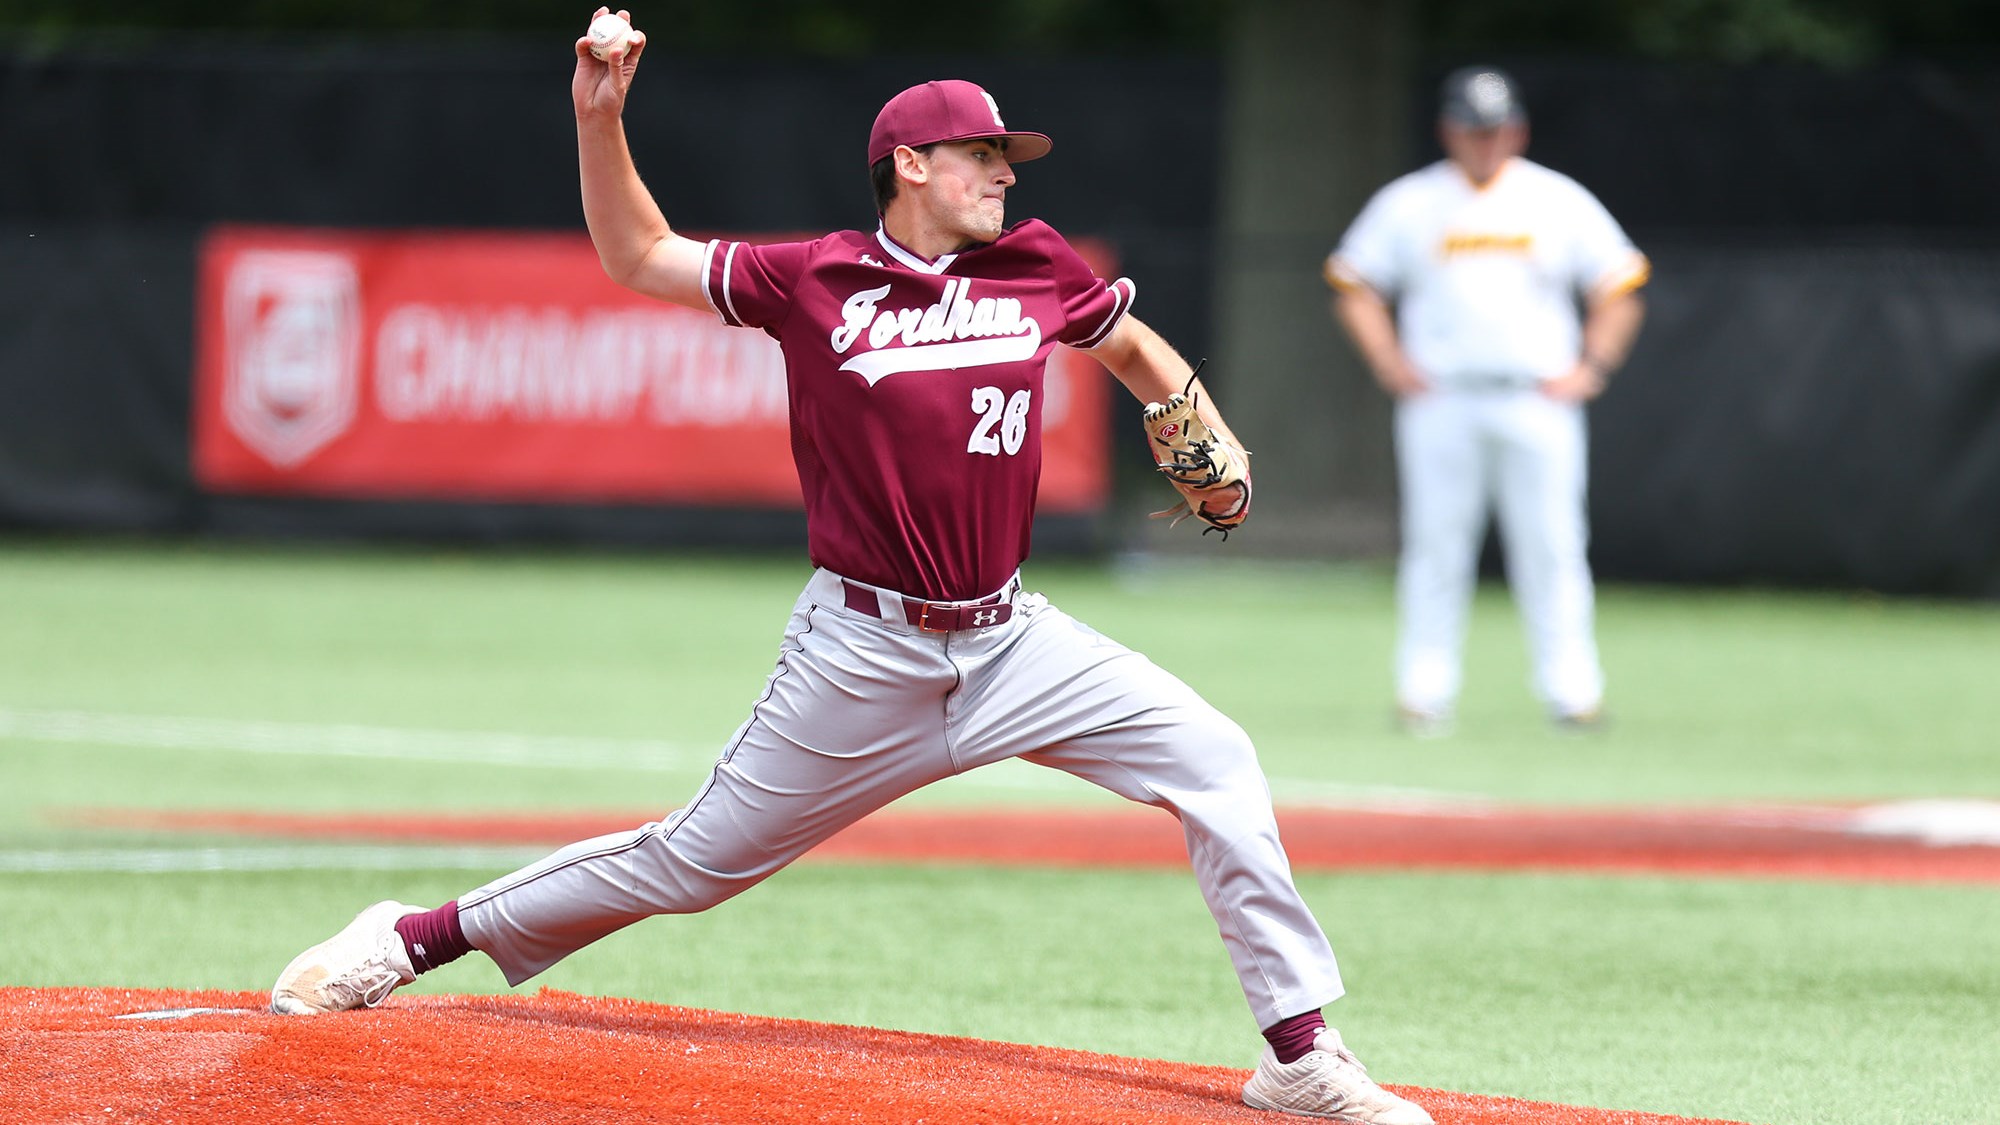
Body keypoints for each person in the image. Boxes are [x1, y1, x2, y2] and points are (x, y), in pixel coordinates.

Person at [267, 10, 1432, 1123]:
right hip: (862, 650)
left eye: (1006, 157)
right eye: (982, 154)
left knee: (1213, 758)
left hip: (1012, 640)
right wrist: (599, 116)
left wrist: (1186, 410)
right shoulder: (813, 279)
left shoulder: (1032, 264)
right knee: (691, 863)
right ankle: (409, 939)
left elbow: (1121, 340)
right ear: (910, 164)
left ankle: (1299, 1056)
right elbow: (637, 256)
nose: (1007, 174)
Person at [1325, 66, 1649, 737]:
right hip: (1443, 397)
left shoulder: (1555, 199)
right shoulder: (1412, 202)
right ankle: (1424, 691)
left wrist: (1593, 366)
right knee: (1435, 545)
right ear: (1449, 129)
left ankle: (1573, 690)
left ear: (1517, 129)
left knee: (1554, 544)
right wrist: (1388, 359)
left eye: (1495, 127)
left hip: (1537, 397)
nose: (1484, 140)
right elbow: (1353, 281)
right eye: (1472, 128)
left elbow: (1620, 284)